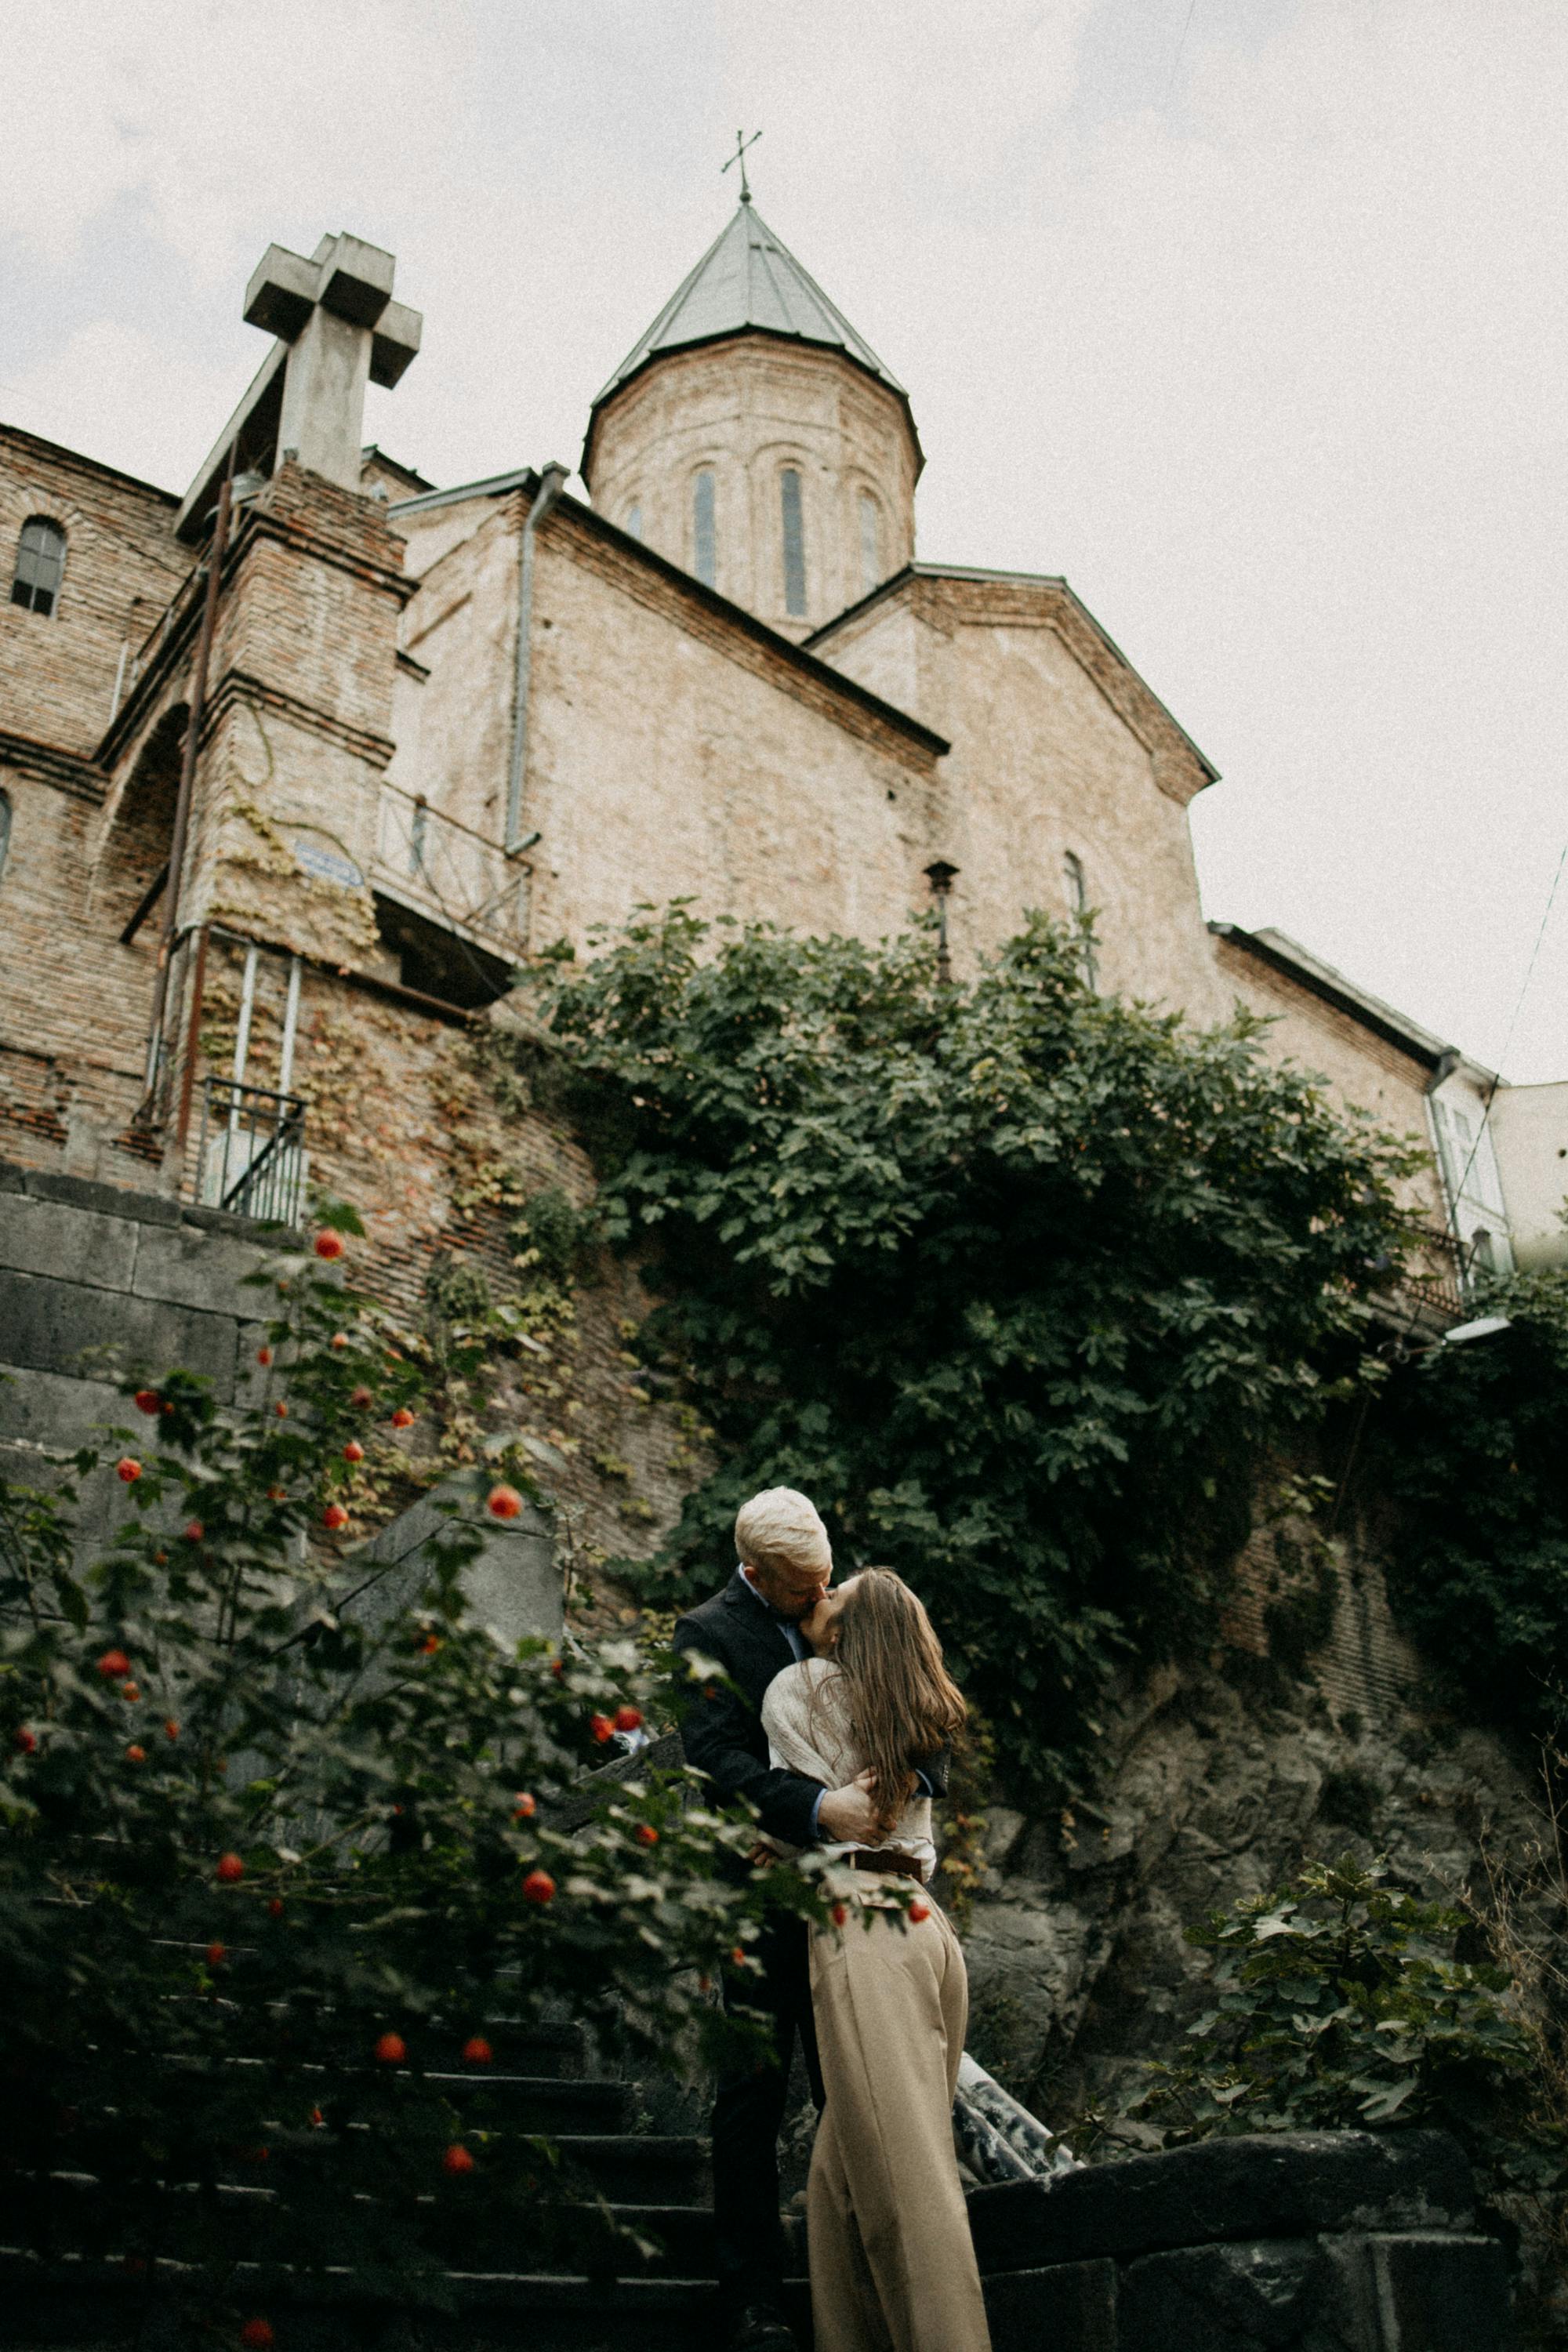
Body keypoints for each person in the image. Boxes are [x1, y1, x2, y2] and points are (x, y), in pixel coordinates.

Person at [673, 1490, 949, 2352]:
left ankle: (869, 2281)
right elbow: (711, 1759)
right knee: (753, 2092)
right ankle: (753, 2294)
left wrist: (905, 1789)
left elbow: (915, 1679)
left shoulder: (850, 1599)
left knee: (856, 2090)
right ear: (756, 1576)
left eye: (827, 1573)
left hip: (863, 1898)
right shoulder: (707, 1635)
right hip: (762, 1894)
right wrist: (817, 1810)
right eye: (803, 1586)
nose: (821, 1591)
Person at [763, 1568, 991, 2352]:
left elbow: (786, 1800)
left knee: (906, 2190)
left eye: (838, 1593)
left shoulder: (805, 1689)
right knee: (838, 2190)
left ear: (849, 1636)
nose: (822, 1591)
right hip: (920, 1925)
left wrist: (780, 1830)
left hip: (862, 1925)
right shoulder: (908, 1715)